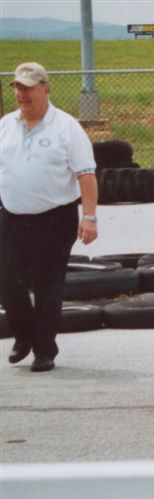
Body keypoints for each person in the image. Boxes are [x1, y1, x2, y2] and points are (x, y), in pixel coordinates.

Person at [0, 62, 98, 372]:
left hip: (54, 219)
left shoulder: (67, 127)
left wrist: (90, 217)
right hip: (11, 217)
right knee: (6, 280)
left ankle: (44, 351)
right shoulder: (5, 125)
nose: (22, 94)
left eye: (28, 88)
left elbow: (86, 174)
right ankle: (24, 335)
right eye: (18, 88)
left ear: (45, 89)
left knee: (47, 285)